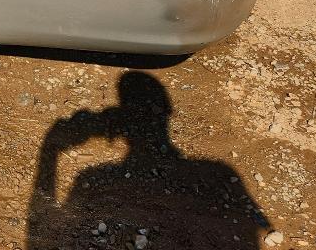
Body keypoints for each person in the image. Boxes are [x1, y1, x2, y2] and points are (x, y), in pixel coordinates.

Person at [27, 71, 271, 249]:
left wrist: (51, 149)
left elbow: (45, 233)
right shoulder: (218, 172)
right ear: (167, 113)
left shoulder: (91, 178)